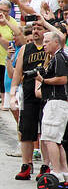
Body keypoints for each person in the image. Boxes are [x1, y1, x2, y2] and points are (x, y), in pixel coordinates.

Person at [13, 20, 48, 179]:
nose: (35, 31)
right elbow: (17, 72)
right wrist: (13, 91)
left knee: (46, 132)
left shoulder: (50, 48)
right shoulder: (25, 49)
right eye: (33, 29)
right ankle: (26, 164)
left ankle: (46, 165)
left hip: (46, 92)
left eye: (39, 28)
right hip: (28, 93)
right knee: (26, 130)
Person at [35, 28, 68, 177]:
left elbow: (63, 78)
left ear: (57, 42)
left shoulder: (60, 57)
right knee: (57, 139)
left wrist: (43, 80)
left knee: (49, 138)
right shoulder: (57, 57)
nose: (44, 44)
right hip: (57, 103)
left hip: (57, 102)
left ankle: (56, 171)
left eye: (47, 41)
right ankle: (63, 171)